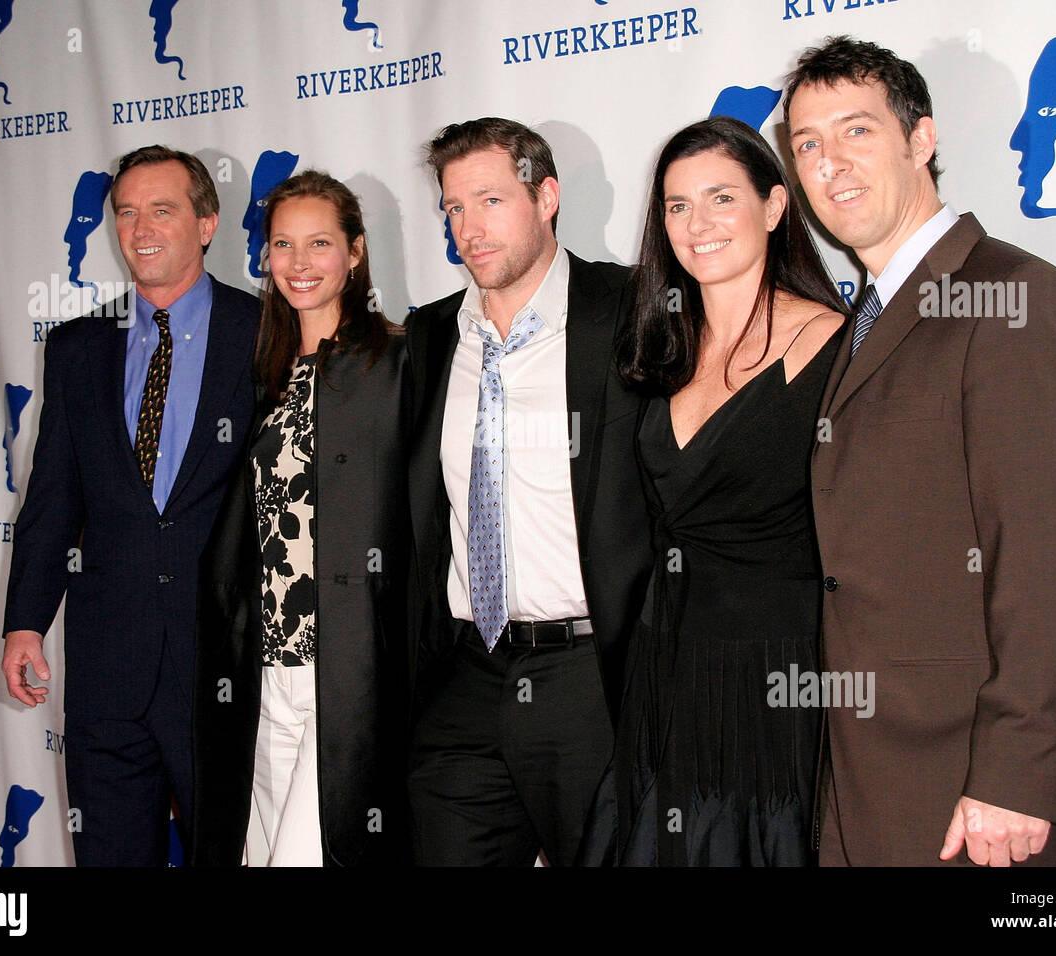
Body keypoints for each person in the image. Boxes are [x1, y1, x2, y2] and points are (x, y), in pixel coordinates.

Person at [782, 35, 1056, 866]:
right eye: (806, 144)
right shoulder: (864, 322)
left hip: (973, 798)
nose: (829, 163)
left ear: (922, 140)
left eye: (856, 131)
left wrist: (1017, 777)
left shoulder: (1012, 297)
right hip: (864, 783)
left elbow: (1051, 558)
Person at [587, 116, 847, 866]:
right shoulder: (657, 345)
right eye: (676, 206)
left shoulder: (834, 345)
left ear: (773, 208)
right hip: (664, 668)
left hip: (778, 681)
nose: (696, 225)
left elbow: (907, 503)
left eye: (721, 199)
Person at [1, 145, 260, 865]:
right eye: (125, 212)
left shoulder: (266, 332)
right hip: (105, 666)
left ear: (206, 224)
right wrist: (25, 624)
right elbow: (52, 497)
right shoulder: (78, 347)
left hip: (223, 664)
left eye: (163, 210)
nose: (140, 228)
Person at [406, 117, 652, 866]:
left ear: (546, 196)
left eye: (489, 200)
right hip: (468, 673)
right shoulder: (429, 336)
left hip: (588, 678)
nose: (468, 229)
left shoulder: (628, 312)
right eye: (453, 208)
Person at [191, 170, 409, 867]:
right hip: (264, 666)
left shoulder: (396, 360)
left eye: (319, 243)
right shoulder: (268, 370)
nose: (299, 263)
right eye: (282, 244)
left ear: (355, 252)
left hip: (349, 669)